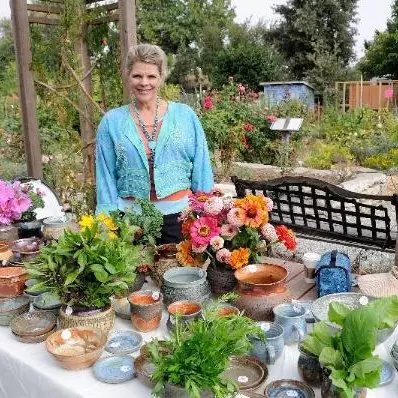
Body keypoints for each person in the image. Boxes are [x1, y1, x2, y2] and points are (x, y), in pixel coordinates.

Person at [95, 43, 214, 244]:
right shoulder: (112, 122)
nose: (144, 83)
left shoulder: (185, 116)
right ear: (128, 76)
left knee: (179, 274)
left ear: (161, 77)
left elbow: (202, 169)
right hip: (130, 222)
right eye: (137, 76)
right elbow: (105, 178)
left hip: (180, 219)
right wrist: (106, 225)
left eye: (151, 76)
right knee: (133, 276)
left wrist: (208, 215)